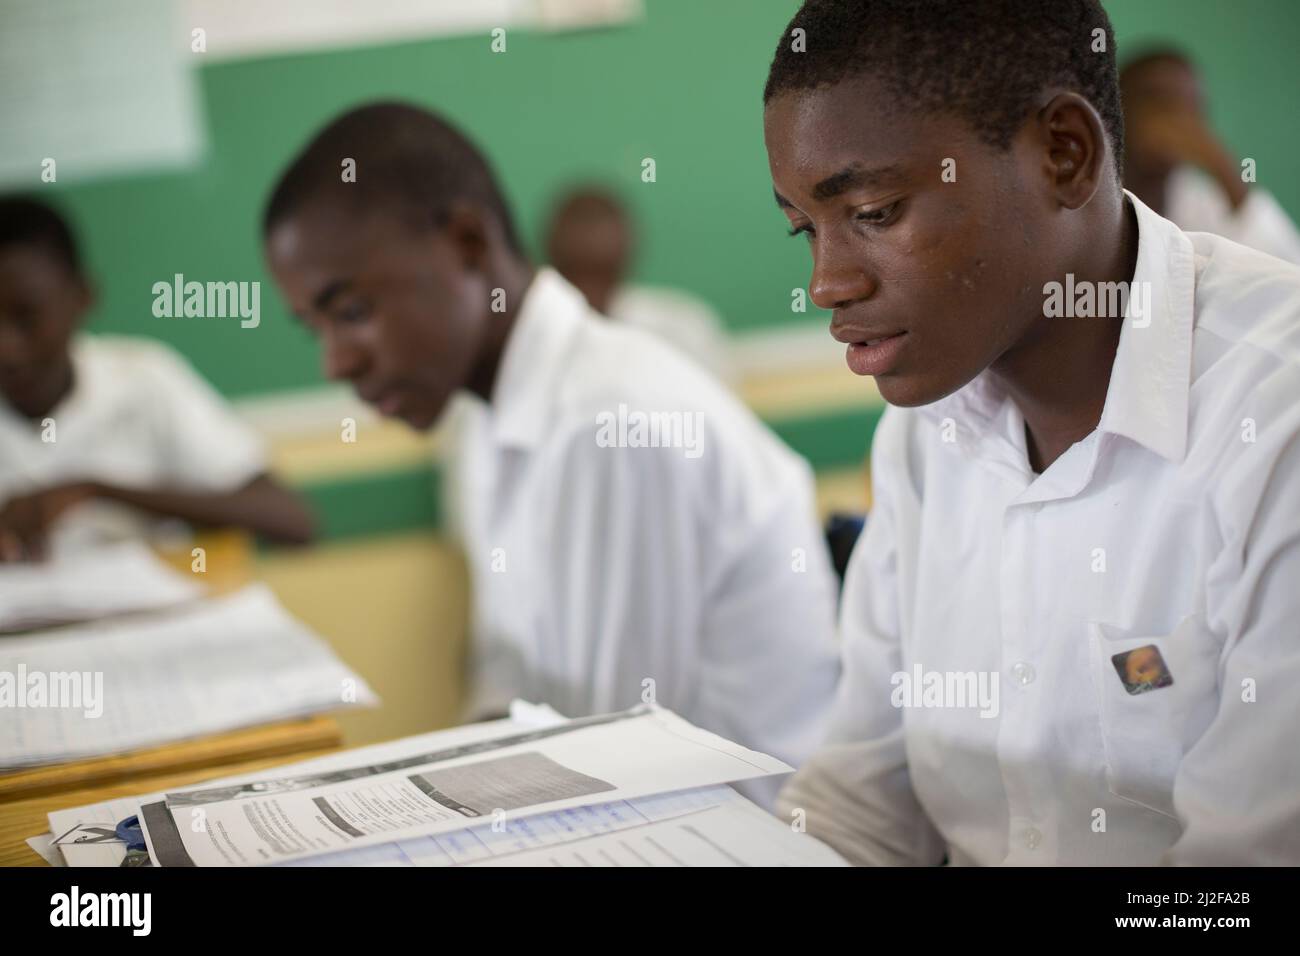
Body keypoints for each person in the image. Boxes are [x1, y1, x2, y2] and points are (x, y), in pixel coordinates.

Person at [764, 0, 1300, 864]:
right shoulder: (923, 436)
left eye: (873, 210)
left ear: (1064, 154)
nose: (825, 282)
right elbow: (860, 806)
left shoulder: (1275, 421)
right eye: (802, 229)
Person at [260, 102, 841, 806]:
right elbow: (516, 689)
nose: (335, 362)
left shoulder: (609, 421)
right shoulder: (495, 422)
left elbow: (605, 770)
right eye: (311, 327)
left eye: (350, 311)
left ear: (468, 244)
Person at [0, 197, 313, 561]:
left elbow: (291, 520)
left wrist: (94, 492)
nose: (6, 347)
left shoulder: (144, 378)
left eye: (26, 316)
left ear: (82, 297)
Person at [1120, 48, 1300, 265]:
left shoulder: (1201, 200)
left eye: (1192, 107)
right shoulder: (1084, 190)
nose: (1179, 119)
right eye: (1160, 102)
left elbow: (1286, 274)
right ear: (1117, 106)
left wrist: (1225, 171)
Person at [544, 186, 734, 382]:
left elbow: (716, 405)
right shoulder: (536, 336)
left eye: (600, 276)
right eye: (580, 273)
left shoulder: (683, 328)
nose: (590, 237)